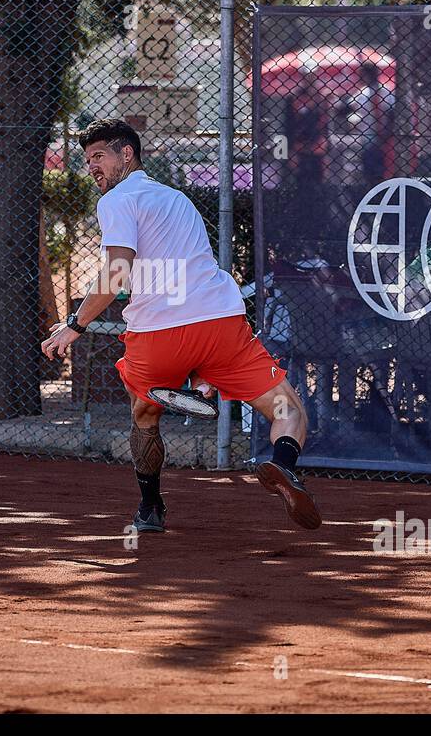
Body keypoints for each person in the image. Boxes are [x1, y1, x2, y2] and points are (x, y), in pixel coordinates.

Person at [41, 118, 321, 532]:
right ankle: (283, 465)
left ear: (127, 154)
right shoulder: (179, 200)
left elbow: (118, 272)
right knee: (289, 409)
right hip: (221, 329)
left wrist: (75, 325)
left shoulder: (117, 200)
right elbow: (188, 278)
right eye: (88, 160)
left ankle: (151, 506)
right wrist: (200, 364)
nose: (92, 166)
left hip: (157, 339)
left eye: (99, 156)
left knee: (144, 415)